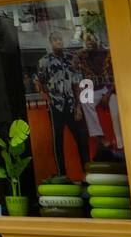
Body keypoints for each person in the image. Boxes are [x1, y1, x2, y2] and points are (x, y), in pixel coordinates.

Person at [35, 31, 90, 176]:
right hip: (56, 105)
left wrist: (78, 106)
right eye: (55, 40)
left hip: (71, 104)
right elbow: (39, 83)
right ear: (51, 43)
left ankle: (87, 173)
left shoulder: (71, 58)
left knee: (81, 137)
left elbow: (76, 83)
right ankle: (62, 175)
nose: (59, 42)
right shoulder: (45, 61)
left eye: (60, 39)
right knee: (58, 141)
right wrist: (49, 99)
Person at [73, 29, 122, 152]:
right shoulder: (81, 55)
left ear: (97, 39)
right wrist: (76, 59)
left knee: (115, 108)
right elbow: (74, 67)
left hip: (109, 89)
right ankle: (101, 137)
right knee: (85, 101)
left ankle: (120, 144)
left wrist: (109, 93)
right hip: (95, 89)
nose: (88, 42)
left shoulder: (107, 53)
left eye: (91, 39)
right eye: (86, 40)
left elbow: (117, 74)